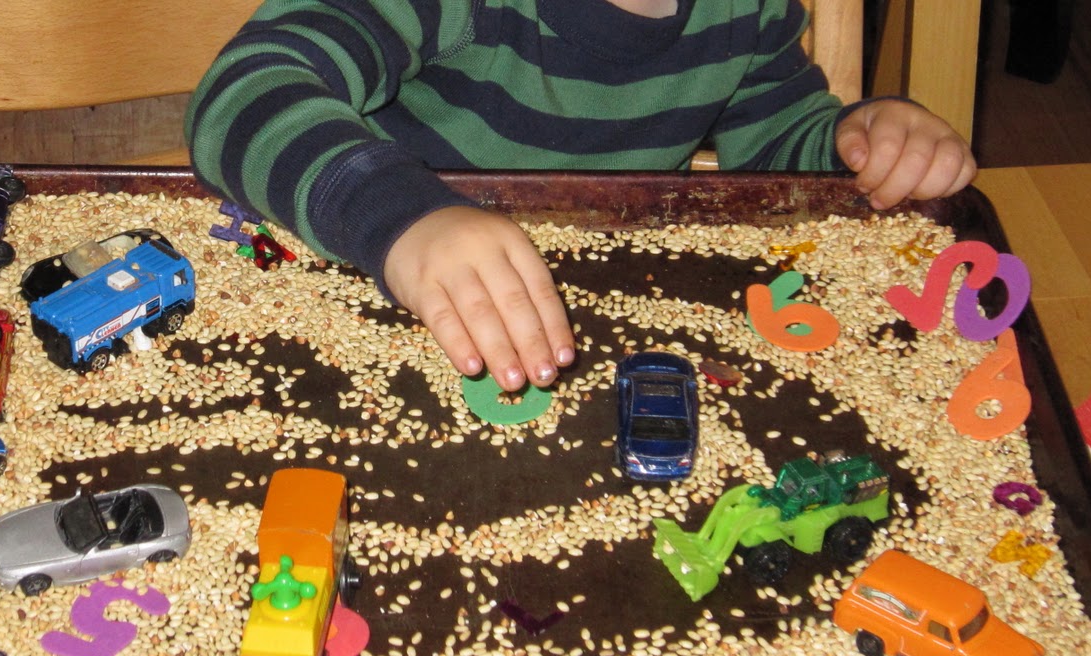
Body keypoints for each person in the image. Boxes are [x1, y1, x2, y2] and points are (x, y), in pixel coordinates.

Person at [185, 0, 975, 392]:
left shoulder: (752, 9)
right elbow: (243, 90)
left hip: (600, 336)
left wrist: (858, 141)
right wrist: (402, 218)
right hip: (386, 297)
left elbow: (773, 158)